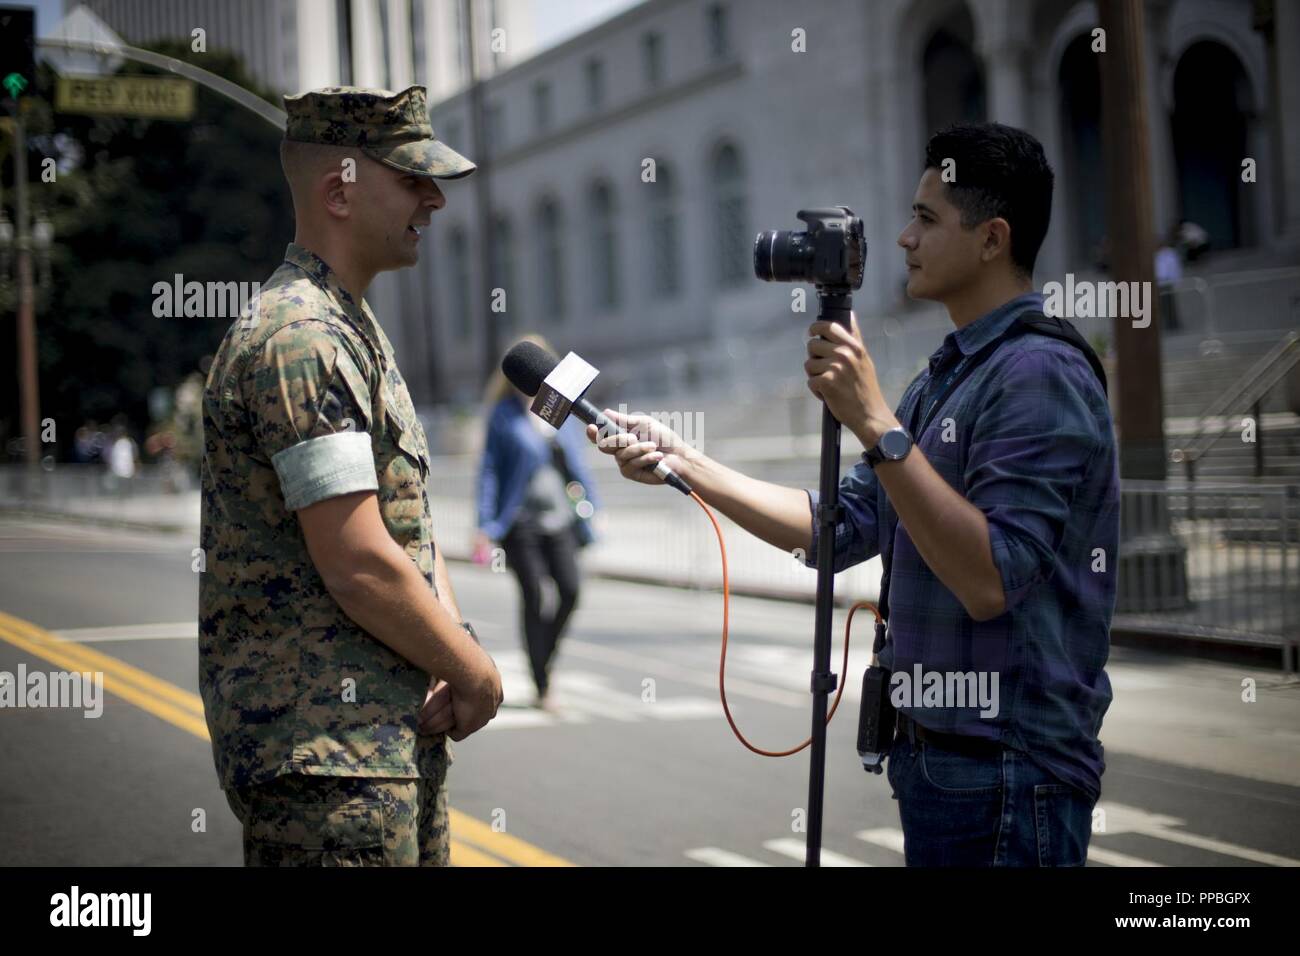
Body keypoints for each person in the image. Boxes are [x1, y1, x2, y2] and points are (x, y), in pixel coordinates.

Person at [590, 123, 1118, 867]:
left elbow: (990, 579)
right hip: (941, 763)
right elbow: (840, 528)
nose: (904, 239)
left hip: (1009, 770)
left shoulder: (1038, 373)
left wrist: (872, 419)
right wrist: (685, 463)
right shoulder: (947, 376)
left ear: (993, 238)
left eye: (927, 219)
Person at [199, 86, 502, 867]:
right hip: (327, 763)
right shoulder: (302, 337)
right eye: (412, 179)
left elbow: (407, 521)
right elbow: (358, 559)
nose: (433, 200)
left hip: (377, 749)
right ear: (340, 189)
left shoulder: (348, 323)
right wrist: (476, 675)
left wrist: (448, 647)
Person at [474, 335, 600, 709]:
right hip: (519, 522)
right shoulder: (503, 415)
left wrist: (594, 505)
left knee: (570, 590)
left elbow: (576, 464)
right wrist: (484, 523)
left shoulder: (557, 411)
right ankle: (542, 681)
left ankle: (544, 660)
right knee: (534, 596)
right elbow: (489, 471)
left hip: (559, 518)